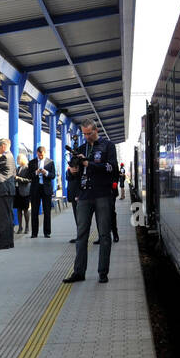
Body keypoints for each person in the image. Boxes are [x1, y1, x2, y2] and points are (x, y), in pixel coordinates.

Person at [66, 120, 118, 284]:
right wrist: (73, 171)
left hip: (103, 194)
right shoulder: (81, 149)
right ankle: (78, 272)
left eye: (89, 133)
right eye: (84, 134)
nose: (87, 136)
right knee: (81, 235)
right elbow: (74, 176)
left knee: (104, 234)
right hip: (84, 196)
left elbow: (112, 168)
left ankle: (103, 272)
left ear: (96, 130)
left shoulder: (108, 146)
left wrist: (91, 164)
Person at [28, 145, 55, 238]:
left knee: (47, 211)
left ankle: (47, 232)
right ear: (37, 154)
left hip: (46, 189)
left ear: (45, 153)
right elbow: (28, 175)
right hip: (35, 189)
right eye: (39, 155)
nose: (40, 157)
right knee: (34, 211)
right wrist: (36, 172)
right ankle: (34, 233)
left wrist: (46, 173)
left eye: (42, 156)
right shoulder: (32, 162)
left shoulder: (50, 162)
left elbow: (53, 175)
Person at [14, 151, 32, 235]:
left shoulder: (27, 168)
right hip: (17, 191)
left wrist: (18, 178)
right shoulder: (18, 168)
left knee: (25, 210)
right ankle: (20, 226)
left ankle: (27, 227)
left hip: (25, 192)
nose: (17, 160)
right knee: (18, 210)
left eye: (18, 159)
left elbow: (29, 180)